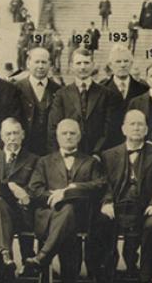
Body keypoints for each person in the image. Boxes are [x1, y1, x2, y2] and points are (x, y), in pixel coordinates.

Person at [91, 111, 152, 282]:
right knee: (102, 221)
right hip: (118, 207)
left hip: (145, 208)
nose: (136, 128)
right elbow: (104, 183)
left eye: (140, 124)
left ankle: (145, 274)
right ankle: (107, 273)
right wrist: (107, 202)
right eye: (132, 124)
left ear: (146, 130)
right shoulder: (109, 155)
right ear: (123, 129)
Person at [23, 119, 107, 283]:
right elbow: (34, 190)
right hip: (49, 216)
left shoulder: (90, 162)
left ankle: (43, 257)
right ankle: (60, 271)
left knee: (69, 210)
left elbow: (99, 185)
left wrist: (70, 191)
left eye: (72, 133)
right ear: (57, 136)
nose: (68, 136)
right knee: (68, 219)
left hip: (80, 218)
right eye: (64, 133)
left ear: (79, 136)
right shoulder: (44, 161)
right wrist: (53, 197)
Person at [0, 118, 42, 280]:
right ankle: (5, 255)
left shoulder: (34, 160)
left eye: (16, 133)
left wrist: (21, 192)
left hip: (24, 213)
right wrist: (9, 188)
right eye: (8, 134)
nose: (12, 138)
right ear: (1, 136)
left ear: (23, 135)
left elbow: (36, 188)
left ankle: (4, 257)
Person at [48, 48, 124, 154]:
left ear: (93, 65)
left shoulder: (106, 94)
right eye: (78, 63)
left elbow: (109, 129)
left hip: (98, 155)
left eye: (86, 63)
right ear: (71, 66)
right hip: (70, 153)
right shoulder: (62, 94)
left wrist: (97, 154)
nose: (83, 67)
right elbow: (54, 127)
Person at [15, 48, 62, 157]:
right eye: (37, 62)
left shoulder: (58, 90)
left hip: (49, 151)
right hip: (24, 149)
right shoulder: (16, 89)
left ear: (50, 65)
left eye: (44, 62)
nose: (40, 66)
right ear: (28, 63)